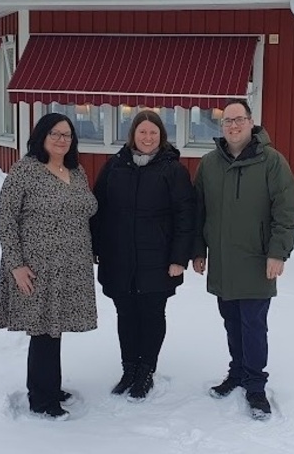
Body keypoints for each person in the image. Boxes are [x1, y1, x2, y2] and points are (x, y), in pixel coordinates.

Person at [192, 98, 294, 421]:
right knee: (231, 320)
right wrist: (198, 251)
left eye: (239, 119)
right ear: (221, 127)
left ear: (251, 123)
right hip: (223, 261)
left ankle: (255, 385)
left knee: (253, 324)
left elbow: (285, 211)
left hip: (256, 259)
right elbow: (199, 213)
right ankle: (237, 371)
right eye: (227, 121)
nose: (233, 126)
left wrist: (278, 252)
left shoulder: (272, 162)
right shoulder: (210, 164)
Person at [0, 113, 98, 420]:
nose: (62, 139)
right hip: (37, 267)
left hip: (71, 266)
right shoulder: (25, 170)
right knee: (43, 331)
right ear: (42, 136)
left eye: (67, 135)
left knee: (55, 328)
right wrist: (16, 265)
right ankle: (41, 397)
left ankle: (50, 384)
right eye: (56, 133)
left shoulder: (76, 172)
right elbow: (5, 218)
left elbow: (86, 211)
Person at [91, 109, 195, 400]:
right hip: (119, 258)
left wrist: (178, 258)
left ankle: (145, 371)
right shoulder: (114, 167)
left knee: (151, 314)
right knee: (125, 314)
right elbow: (98, 210)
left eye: (153, 132)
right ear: (132, 135)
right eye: (142, 132)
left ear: (161, 136)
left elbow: (185, 216)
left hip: (158, 260)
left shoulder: (173, 170)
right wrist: (96, 247)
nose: (147, 137)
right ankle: (129, 369)